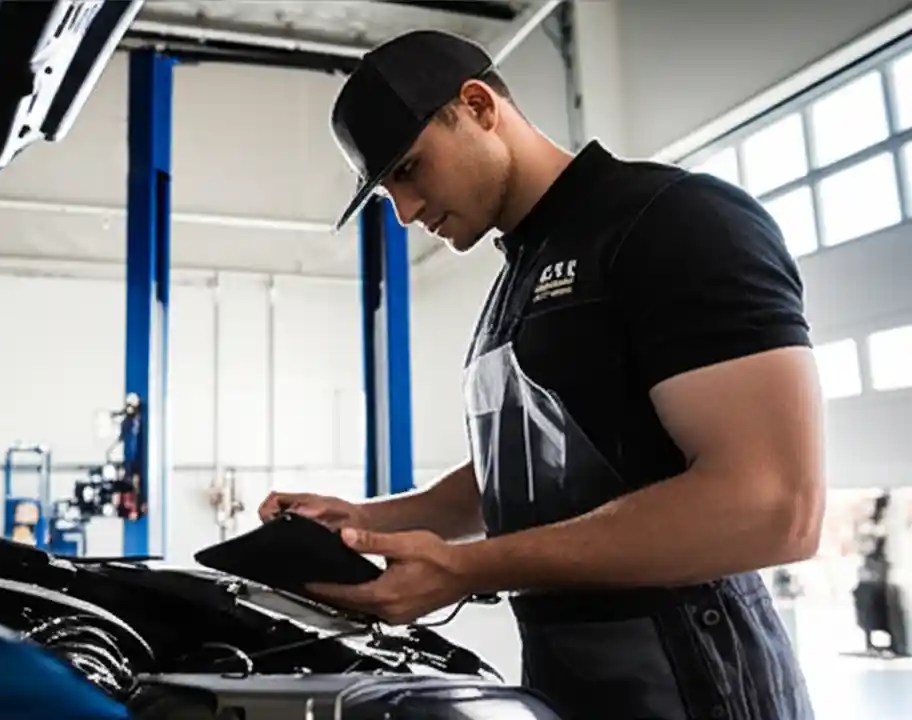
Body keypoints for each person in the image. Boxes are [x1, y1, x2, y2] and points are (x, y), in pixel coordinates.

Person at [258, 29, 824, 720]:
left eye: (408, 170)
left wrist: (464, 568)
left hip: (700, 686)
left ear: (478, 107)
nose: (404, 213)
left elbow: (774, 506)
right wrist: (366, 522)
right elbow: (531, 465)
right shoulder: (517, 280)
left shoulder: (672, 221)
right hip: (572, 688)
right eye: (386, 194)